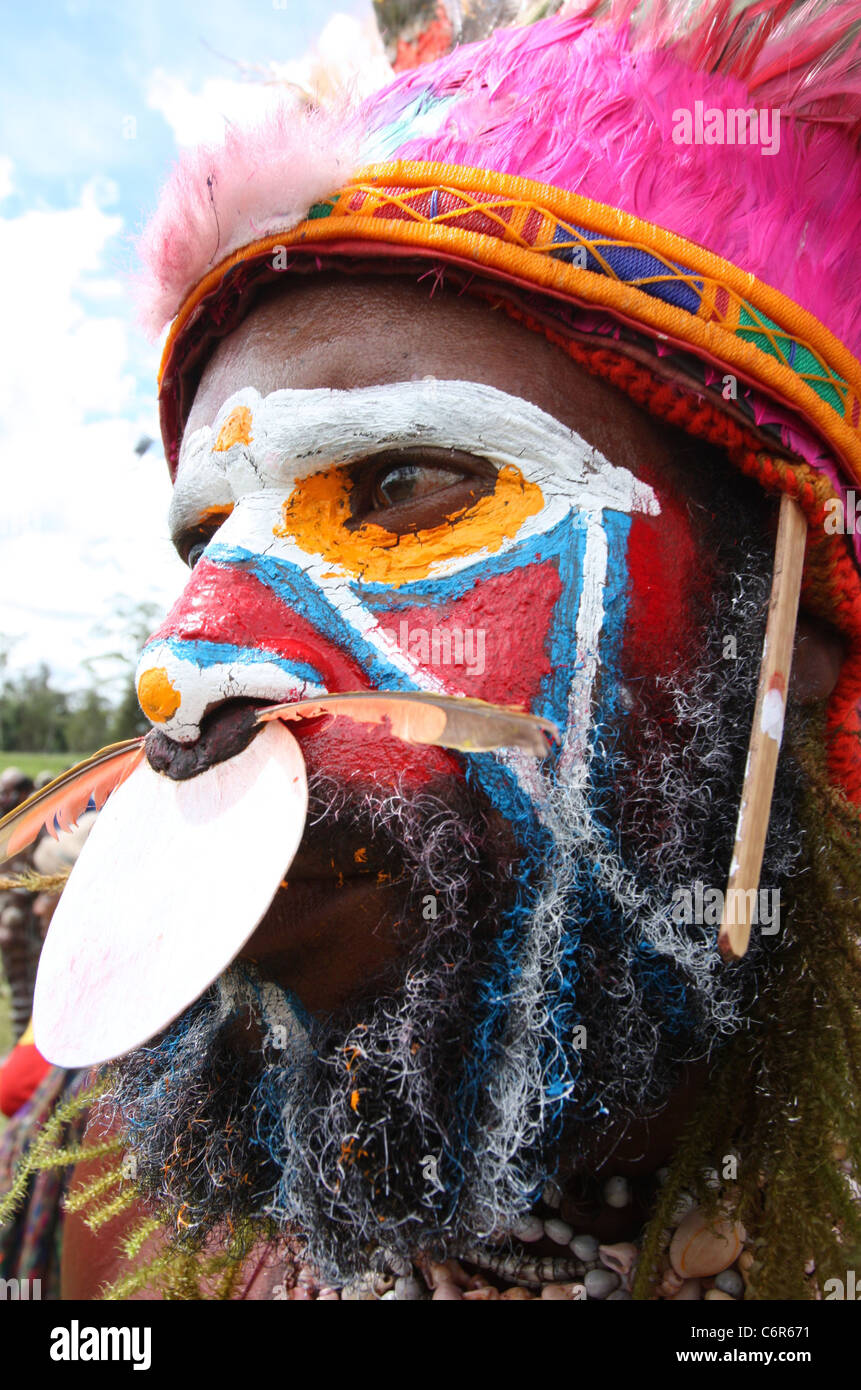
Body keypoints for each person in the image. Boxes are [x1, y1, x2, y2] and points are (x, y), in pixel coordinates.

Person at [4, 0, 861, 1302]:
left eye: (402, 481)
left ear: (788, 630)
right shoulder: (70, 1173)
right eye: (211, 543)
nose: (180, 669)